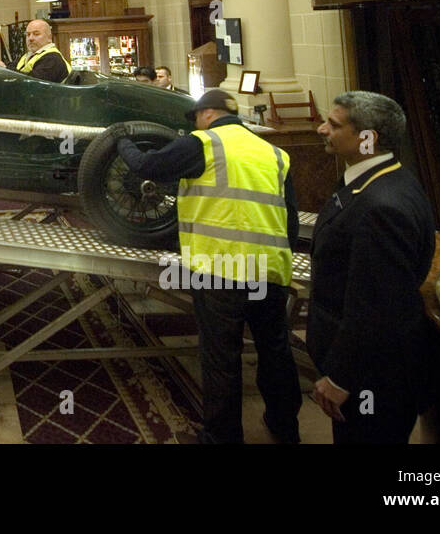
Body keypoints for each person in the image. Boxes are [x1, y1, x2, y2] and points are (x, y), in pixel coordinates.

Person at [117, 88, 302, 444]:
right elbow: (290, 218)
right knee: (275, 351)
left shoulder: (202, 143)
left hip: (221, 271)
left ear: (207, 115)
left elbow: (146, 166)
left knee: (221, 357)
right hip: (269, 271)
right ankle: (285, 428)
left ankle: (221, 438)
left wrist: (122, 140)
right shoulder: (275, 153)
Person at [309, 91, 436, 444]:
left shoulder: (382, 206)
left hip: (373, 380)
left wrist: (340, 378)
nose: (322, 129)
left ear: (368, 138)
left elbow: (376, 306)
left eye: (334, 125)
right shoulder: (378, 180)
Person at [0, 19, 70, 82]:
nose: (30, 38)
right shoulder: (29, 56)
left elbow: (34, 82)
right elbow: (11, 67)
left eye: (36, 34)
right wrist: (0, 66)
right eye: (28, 35)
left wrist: (5, 69)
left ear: (49, 38)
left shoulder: (52, 58)